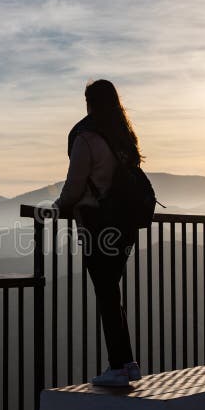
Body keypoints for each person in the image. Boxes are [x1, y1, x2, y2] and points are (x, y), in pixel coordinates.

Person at [53, 79, 142, 387]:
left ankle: (117, 366)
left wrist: (59, 206)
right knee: (111, 290)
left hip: (96, 224)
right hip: (125, 225)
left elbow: (75, 185)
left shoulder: (86, 137)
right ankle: (127, 362)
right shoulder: (123, 137)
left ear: (89, 102)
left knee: (105, 293)